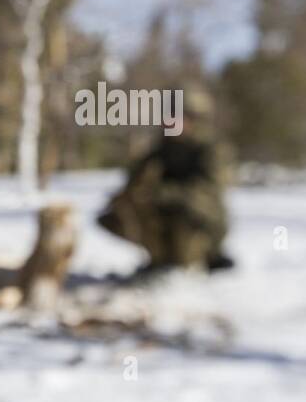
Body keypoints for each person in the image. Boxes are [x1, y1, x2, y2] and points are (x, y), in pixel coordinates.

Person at [97, 89, 233, 273]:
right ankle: (160, 258)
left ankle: (202, 254)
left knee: (187, 211)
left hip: (200, 219)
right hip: (166, 214)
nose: (169, 121)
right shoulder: (162, 148)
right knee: (118, 214)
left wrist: (161, 193)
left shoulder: (211, 150)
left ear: (192, 118)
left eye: (176, 115)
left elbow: (207, 191)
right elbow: (135, 181)